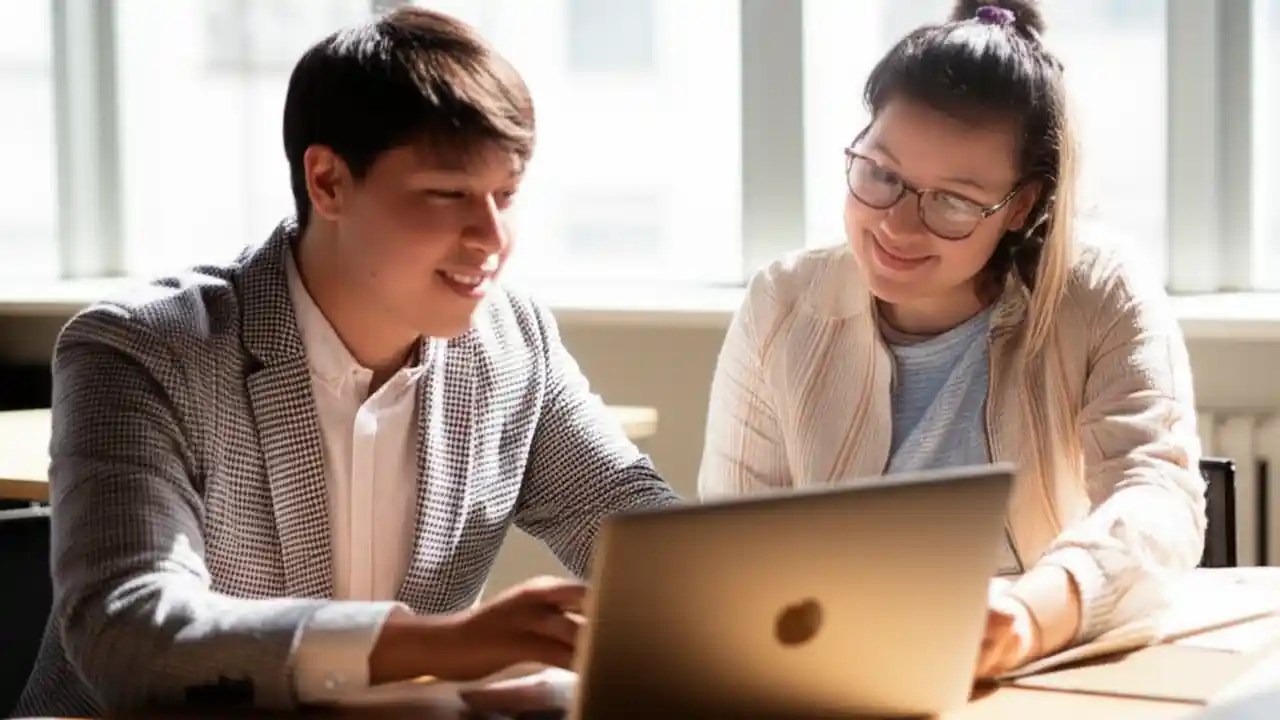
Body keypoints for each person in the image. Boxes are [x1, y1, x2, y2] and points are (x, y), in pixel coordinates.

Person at [15, 7, 679, 717]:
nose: (492, 237)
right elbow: (130, 633)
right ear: (328, 182)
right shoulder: (141, 350)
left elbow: (637, 533)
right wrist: (446, 646)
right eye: (447, 194)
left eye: (506, 195)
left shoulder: (514, 344)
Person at [698, 0, 1205, 679]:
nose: (899, 228)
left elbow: (1159, 500)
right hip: (831, 675)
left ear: (1020, 206)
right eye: (881, 175)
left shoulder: (1097, 291)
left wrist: (1029, 617)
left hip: (1032, 668)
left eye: (955, 201)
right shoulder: (783, 304)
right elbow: (735, 545)